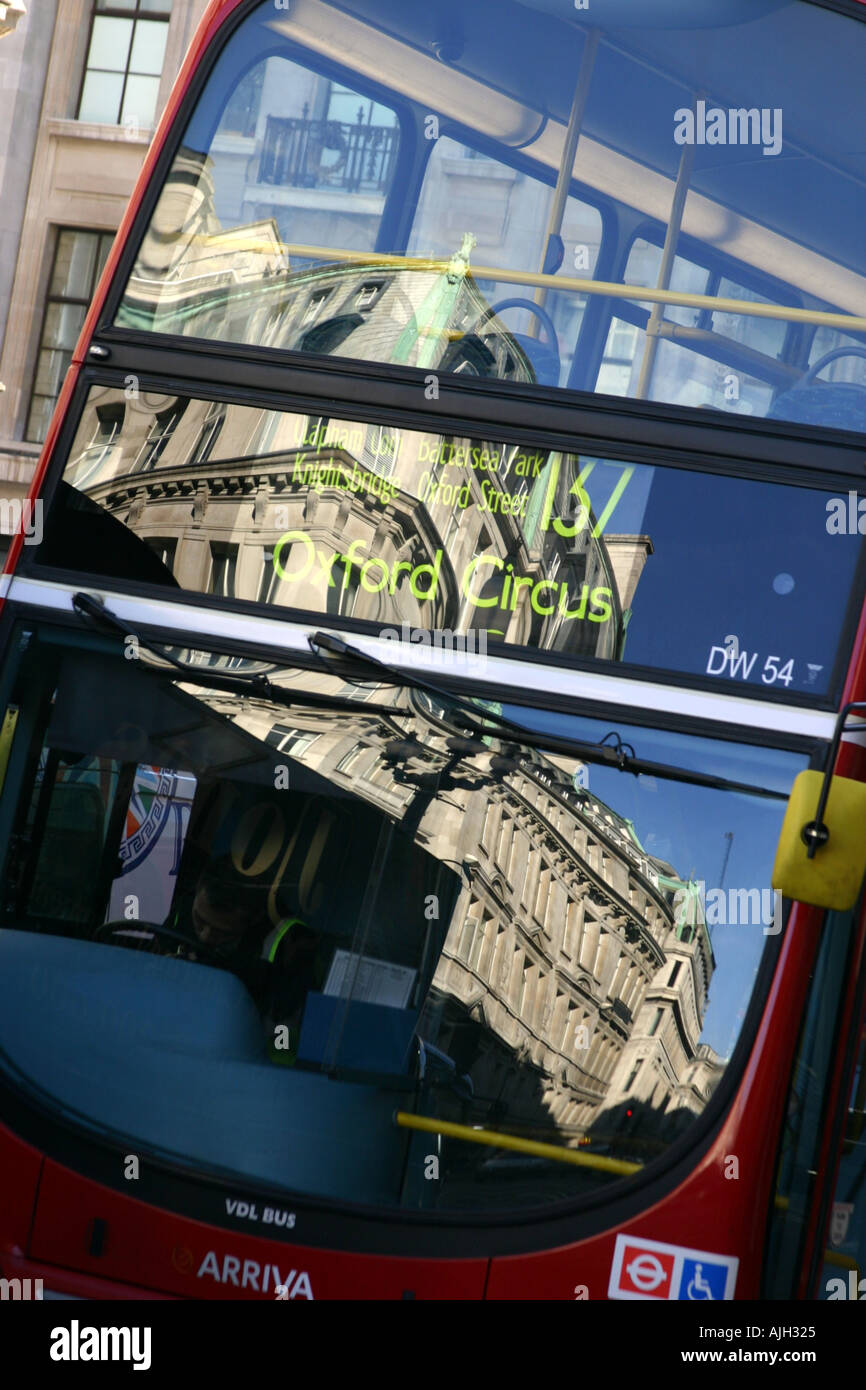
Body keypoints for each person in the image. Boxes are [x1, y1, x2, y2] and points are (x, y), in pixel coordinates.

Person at [167, 856, 329, 1062]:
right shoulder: (182, 909)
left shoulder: (290, 949)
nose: (205, 936)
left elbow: (283, 1041)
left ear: (255, 919)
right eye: (200, 921)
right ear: (198, 890)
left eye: (221, 932)